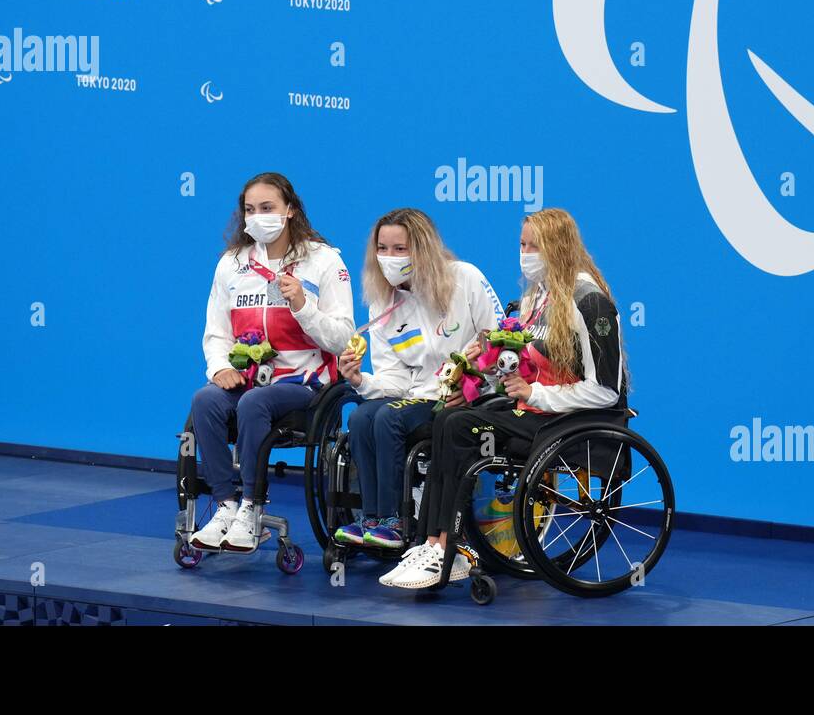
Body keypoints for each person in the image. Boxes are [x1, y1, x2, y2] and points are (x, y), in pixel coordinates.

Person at [380, 207, 628, 589]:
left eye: (534, 246)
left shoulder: (589, 302)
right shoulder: (537, 298)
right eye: (522, 244)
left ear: (559, 247)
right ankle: (431, 542)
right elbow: (525, 368)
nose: (525, 254)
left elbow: (607, 390)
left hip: (571, 420)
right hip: (535, 412)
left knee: (459, 427)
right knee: (447, 419)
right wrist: (485, 366)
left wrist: (535, 393)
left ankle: (448, 546)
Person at [189, 172, 355, 551]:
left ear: (290, 210)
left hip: (305, 385)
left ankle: (252, 507)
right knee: (205, 400)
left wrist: (303, 305)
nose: (257, 217)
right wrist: (220, 367)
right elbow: (216, 332)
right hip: (250, 380)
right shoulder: (232, 264)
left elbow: (344, 338)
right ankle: (226, 505)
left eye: (267, 207)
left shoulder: (323, 261)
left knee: (254, 402)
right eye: (250, 210)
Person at [335, 208, 503, 550]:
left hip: (465, 399)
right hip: (419, 396)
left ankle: (396, 522)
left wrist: (475, 386)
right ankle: (372, 519)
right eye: (382, 249)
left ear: (422, 248)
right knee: (361, 416)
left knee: (388, 418)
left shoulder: (465, 279)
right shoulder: (384, 305)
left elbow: (500, 343)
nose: (389, 257)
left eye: (400, 249)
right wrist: (360, 381)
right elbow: (394, 379)